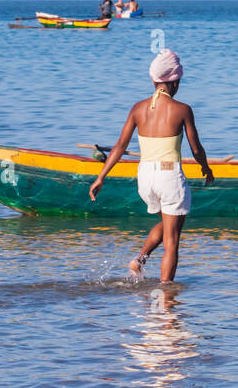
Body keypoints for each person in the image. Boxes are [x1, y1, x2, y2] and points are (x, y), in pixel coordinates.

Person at [90, 49, 214, 282]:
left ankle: (139, 260)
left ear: (154, 80)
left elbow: (119, 146)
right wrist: (206, 168)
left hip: (145, 177)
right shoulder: (183, 109)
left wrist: (101, 177)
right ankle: (167, 301)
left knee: (167, 224)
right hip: (169, 175)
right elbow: (196, 148)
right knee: (172, 240)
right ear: (174, 81)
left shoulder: (138, 108)